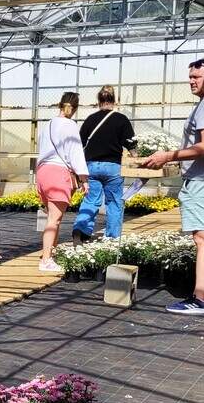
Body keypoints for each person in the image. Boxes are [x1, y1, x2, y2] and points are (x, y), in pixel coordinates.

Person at [144, 58, 204, 315]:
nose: (192, 82)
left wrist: (169, 155)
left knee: (203, 238)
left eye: (197, 77)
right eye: (190, 77)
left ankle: (200, 298)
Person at [71, 85, 135, 243]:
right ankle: (112, 237)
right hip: (113, 167)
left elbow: (80, 144)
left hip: (91, 166)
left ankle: (81, 229)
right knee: (114, 202)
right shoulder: (121, 119)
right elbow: (131, 144)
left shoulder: (90, 119)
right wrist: (137, 159)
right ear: (115, 100)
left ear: (98, 101)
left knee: (91, 199)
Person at [34, 92, 89, 273]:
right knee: (54, 220)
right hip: (58, 174)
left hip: (43, 172)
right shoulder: (70, 125)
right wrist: (83, 178)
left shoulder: (48, 124)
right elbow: (75, 152)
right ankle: (46, 259)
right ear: (76, 107)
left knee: (52, 218)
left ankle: (50, 254)